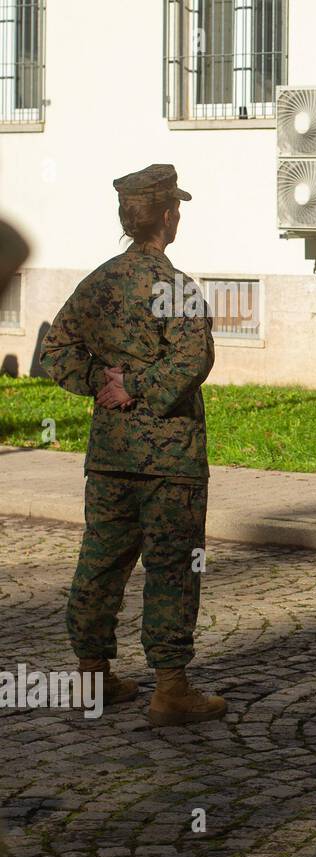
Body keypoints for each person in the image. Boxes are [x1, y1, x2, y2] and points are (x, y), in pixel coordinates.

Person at [40, 164, 226, 727]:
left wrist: (101, 382)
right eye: (177, 209)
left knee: (101, 560)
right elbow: (195, 358)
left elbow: (55, 350)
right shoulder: (175, 287)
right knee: (172, 566)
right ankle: (170, 688)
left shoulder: (97, 284)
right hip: (169, 458)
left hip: (112, 454)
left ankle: (91, 675)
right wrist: (138, 384)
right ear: (169, 215)